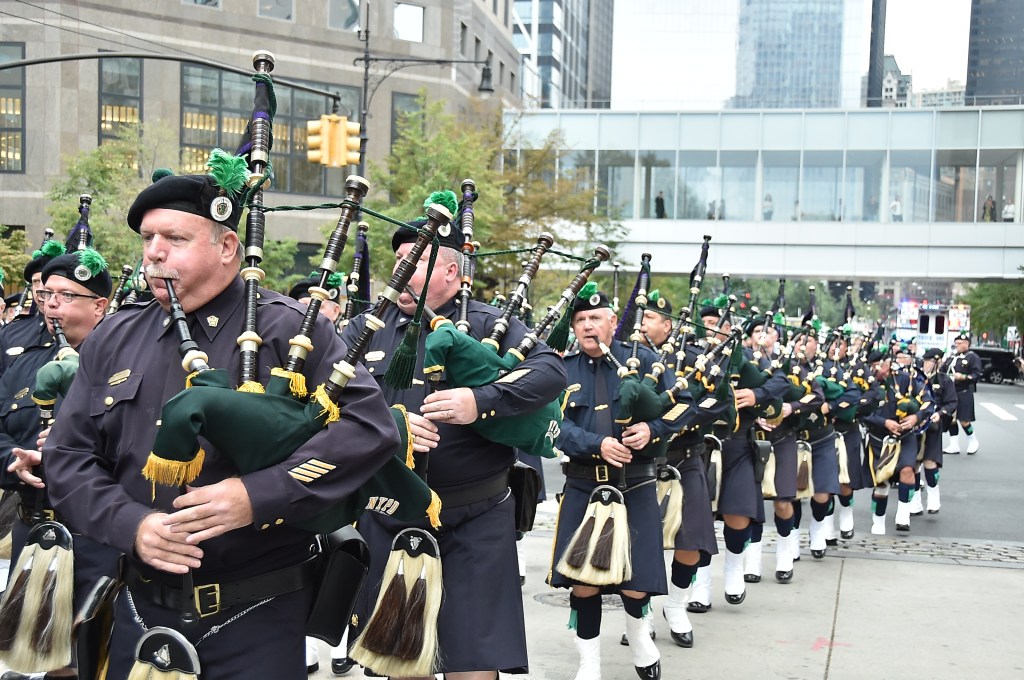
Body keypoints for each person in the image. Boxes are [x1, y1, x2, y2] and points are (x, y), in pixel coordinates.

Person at [43, 170, 401, 679]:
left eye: (175, 238)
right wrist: (133, 525)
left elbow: (369, 429)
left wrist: (258, 495)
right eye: (148, 238)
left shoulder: (288, 328)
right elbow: (68, 457)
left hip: (257, 613)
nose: (154, 253)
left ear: (228, 245)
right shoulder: (115, 337)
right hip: (140, 612)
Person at [342, 216, 567, 680]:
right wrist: (393, 426)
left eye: (416, 260)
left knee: (474, 665)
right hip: (389, 514)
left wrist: (478, 401)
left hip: (475, 519)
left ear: (451, 271)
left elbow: (550, 374)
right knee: (403, 664)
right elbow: (326, 403)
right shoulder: (366, 329)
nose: (401, 270)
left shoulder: (488, 324)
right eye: (399, 260)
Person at [1, 249, 122, 679]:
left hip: (94, 533)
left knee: (90, 658)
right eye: (48, 293)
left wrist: (76, 450)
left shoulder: (124, 363)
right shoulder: (20, 358)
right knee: (35, 659)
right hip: (33, 528)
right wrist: (13, 463)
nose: (52, 302)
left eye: (67, 295)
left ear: (99, 306)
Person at [552, 285, 676, 679]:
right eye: (581, 320)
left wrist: (651, 430)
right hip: (583, 485)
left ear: (611, 323)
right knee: (583, 583)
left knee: (636, 581)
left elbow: (680, 410)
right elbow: (551, 426)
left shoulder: (644, 361)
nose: (588, 326)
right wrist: (597, 444)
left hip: (635, 484)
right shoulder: (560, 370)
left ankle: (640, 639)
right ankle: (589, 664)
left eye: (595, 318)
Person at [636, 292, 717, 649]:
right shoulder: (628, 357)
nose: (642, 325)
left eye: (649, 319)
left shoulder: (697, 358)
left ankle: (676, 605)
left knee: (692, 543)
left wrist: (669, 421)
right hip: (641, 463)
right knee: (640, 545)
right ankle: (640, 616)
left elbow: (714, 402)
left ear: (667, 325)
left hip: (685, 456)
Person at [287, 273, 354, 676]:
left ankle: (343, 640)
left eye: (325, 301)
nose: (312, 310)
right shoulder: (289, 348)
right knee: (308, 561)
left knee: (343, 559)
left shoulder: (350, 342)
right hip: (298, 472)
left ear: (338, 306)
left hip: (344, 467)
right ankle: (309, 647)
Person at [916, 348, 958, 515]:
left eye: (930, 361)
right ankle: (915, 500)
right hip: (916, 426)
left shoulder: (944, 380)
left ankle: (933, 496)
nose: (925, 364)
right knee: (913, 464)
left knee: (930, 463)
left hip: (933, 426)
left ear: (937, 362)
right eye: (925, 361)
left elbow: (951, 402)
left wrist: (940, 414)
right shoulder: (916, 378)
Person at [941, 332, 982, 455]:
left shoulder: (972, 357)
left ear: (966, 344)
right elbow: (943, 370)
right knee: (951, 420)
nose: (956, 345)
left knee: (964, 420)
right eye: (956, 343)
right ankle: (954, 445)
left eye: (959, 343)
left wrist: (963, 376)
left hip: (963, 391)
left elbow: (976, 375)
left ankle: (972, 440)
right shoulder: (953, 357)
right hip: (951, 392)